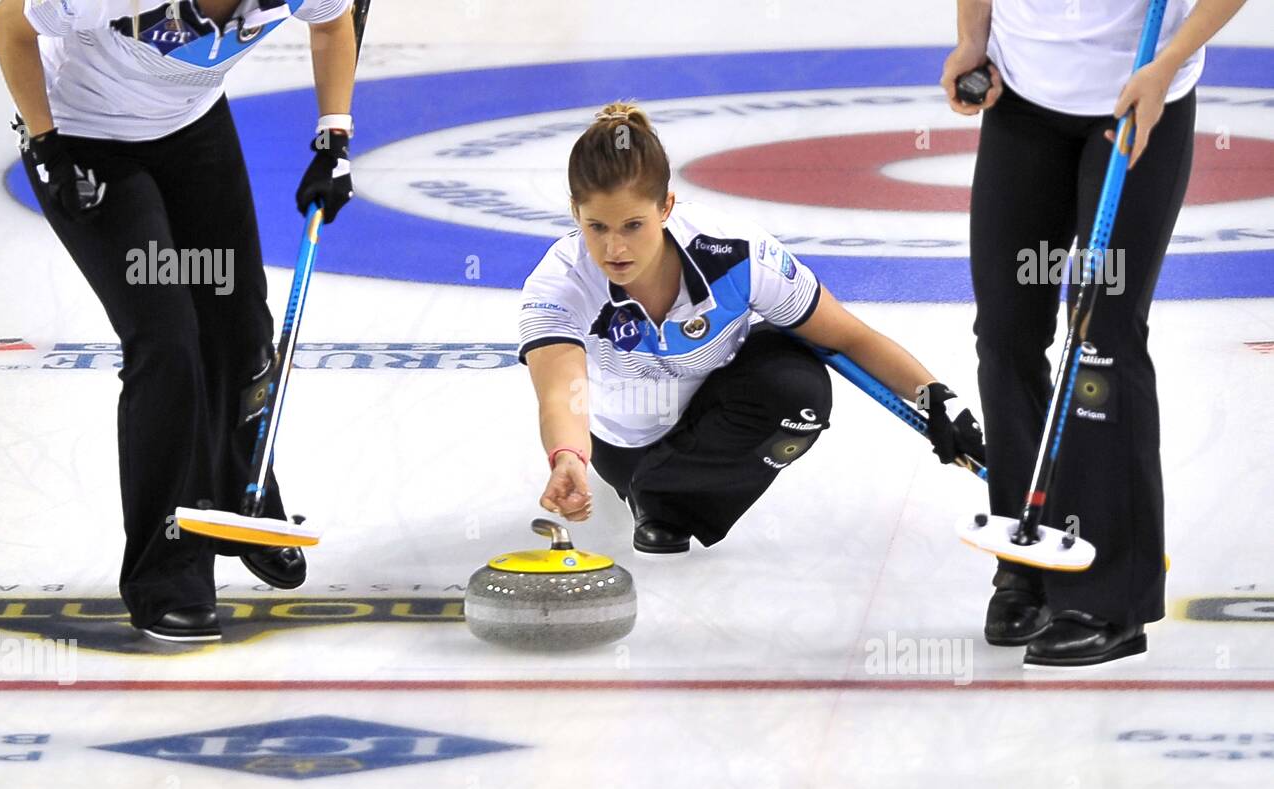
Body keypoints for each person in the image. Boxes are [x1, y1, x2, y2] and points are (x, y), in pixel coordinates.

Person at [0, 0, 360, 642]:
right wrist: (47, 146)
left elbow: (333, 22)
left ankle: (238, 489)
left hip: (192, 132)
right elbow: (9, 24)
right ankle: (167, 568)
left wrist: (335, 137)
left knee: (239, 330)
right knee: (167, 343)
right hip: (88, 142)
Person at [519, 103, 985, 557]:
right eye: (596, 226)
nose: (614, 247)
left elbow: (847, 337)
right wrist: (567, 457)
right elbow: (561, 393)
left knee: (797, 392)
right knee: (637, 461)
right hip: (628, 445)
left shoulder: (735, 253)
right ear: (574, 213)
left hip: (714, 407)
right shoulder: (562, 283)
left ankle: (668, 499)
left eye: (633, 225)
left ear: (666, 207)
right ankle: (652, 495)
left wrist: (937, 399)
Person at [941, 0, 1248, 666]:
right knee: (1006, 333)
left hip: (1135, 101)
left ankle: (1114, 598)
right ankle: (1025, 564)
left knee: (1102, 336)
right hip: (1021, 98)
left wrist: (1167, 66)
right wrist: (974, 38)